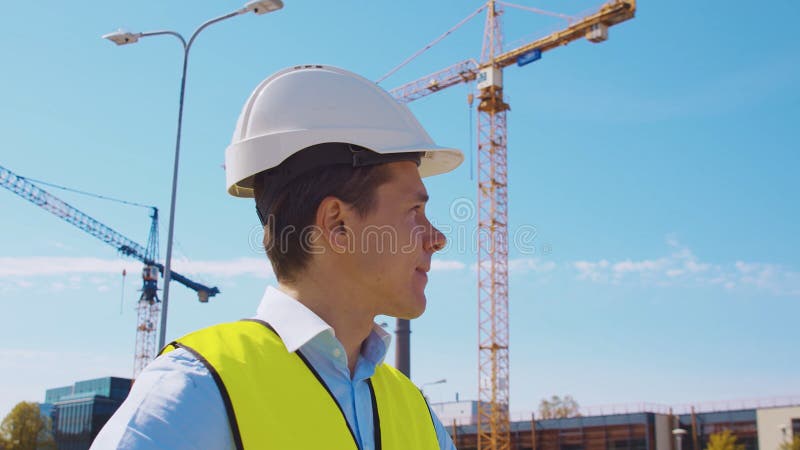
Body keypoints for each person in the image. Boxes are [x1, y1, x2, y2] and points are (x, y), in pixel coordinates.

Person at [91, 65, 464, 450]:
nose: (436, 238)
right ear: (337, 224)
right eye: (414, 212)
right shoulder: (194, 393)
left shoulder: (414, 409)